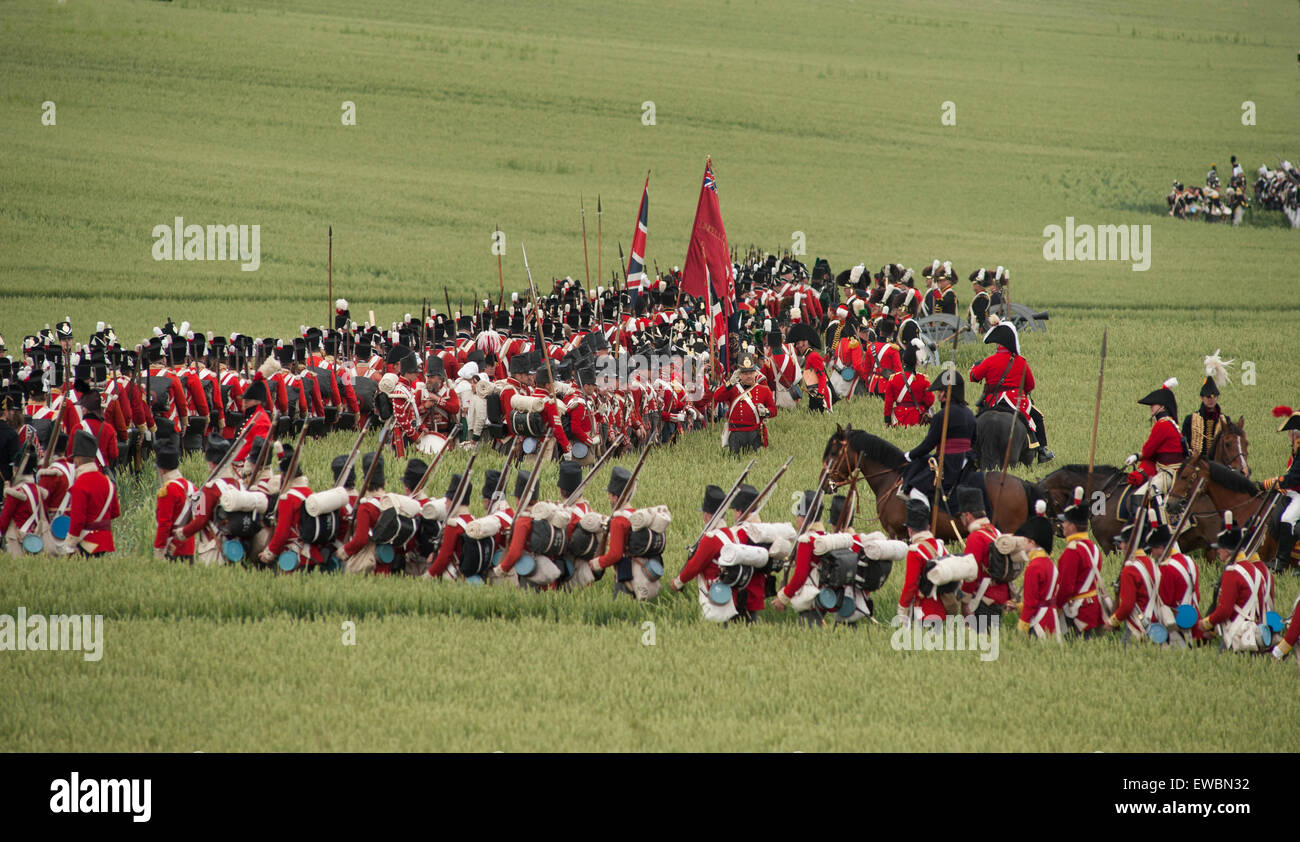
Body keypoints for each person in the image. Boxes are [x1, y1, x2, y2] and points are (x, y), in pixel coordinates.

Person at [969, 321, 1052, 463]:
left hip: (992, 401)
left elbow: (974, 377)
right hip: (1016, 401)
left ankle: (969, 448)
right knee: (1037, 417)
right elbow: (1030, 385)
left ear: (1000, 344)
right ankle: (1042, 451)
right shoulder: (1021, 362)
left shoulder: (989, 361)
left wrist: (973, 368)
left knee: (976, 418)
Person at [901, 368, 976, 509]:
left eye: (940, 391)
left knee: (916, 491)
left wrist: (909, 455)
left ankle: (922, 524)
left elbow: (927, 445)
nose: (938, 395)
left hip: (948, 463)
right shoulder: (970, 414)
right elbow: (974, 441)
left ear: (948, 393)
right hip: (968, 463)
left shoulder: (941, 416)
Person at [1199, 515, 1275, 650]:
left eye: (1220, 548)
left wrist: (1206, 623)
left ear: (1227, 550)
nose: (1217, 551)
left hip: (1237, 635)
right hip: (1257, 634)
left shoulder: (1232, 572)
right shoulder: (1256, 570)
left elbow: (1224, 611)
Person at [1123, 378, 1184, 517]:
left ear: (1162, 406)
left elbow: (1148, 451)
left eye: (1153, 404)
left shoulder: (1162, 424)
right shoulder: (1171, 423)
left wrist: (1137, 456)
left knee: (1138, 496)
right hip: (1174, 470)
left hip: (1169, 473)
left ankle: (1144, 531)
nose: (1151, 407)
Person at [174, 436, 239, 565]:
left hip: (215, 546)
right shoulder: (237, 484)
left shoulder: (210, 488)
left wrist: (182, 532)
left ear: (211, 462)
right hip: (236, 546)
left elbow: (201, 520)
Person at [57, 430, 120, 556]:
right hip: (104, 541)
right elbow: (115, 512)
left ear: (78, 460)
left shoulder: (80, 484)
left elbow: (78, 520)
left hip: (86, 542)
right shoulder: (107, 482)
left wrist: (69, 545)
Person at [1104, 510, 1165, 639]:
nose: (1120, 546)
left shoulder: (1130, 569)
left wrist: (1112, 621)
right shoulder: (1152, 563)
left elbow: (1127, 606)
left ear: (1129, 544)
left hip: (1136, 626)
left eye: (1122, 542)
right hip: (1155, 624)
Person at [1054, 488, 1107, 637]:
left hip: (1076, 611)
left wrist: (1056, 608)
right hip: (1092, 609)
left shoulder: (1073, 551)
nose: (1062, 525)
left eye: (1064, 522)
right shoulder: (1094, 548)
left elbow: (1066, 588)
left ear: (1072, 525)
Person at [955, 487, 1014, 620]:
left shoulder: (976, 537)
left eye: (961, 516)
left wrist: (965, 602)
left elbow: (971, 573)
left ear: (968, 515)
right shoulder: (995, 532)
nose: (961, 520)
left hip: (983, 598)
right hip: (1001, 597)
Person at [712, 353, 776, 454]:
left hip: (755, 433)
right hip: (736, 434)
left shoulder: (764, 390)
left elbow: (774, 410)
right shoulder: (732, 389)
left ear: (755, 373)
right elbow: (717, 397)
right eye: (745, 373)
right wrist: (729, 383)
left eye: (751, 373)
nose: (749, 376)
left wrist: (766, 411)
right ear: (739, 374)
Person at [1262, 407, 1300, 572]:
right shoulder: (1296, 450)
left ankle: (1281, 562)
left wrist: (1278, 481)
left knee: (1287, 518)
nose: (1290, 437)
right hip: (1294, 491)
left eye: (1291, 434)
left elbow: (1294, 477)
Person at [897, 499, 947, 623]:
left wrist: (902, 607)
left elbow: (910, 586)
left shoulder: (916, 550)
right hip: (943, 611)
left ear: (910, 530)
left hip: (924, 613)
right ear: (928, 526)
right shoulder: (941, 547)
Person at [1015, 505, 1060, 640]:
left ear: (1032, 542)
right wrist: (1017, 607)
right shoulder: (1050, 563)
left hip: (1039, 621)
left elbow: (1031, 603)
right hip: (1052, 619)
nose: (1023, 544)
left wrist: (1021, 627)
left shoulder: (1034, 566)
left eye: (1025, 541)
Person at [152, 442, 195, 562]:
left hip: (173, 547)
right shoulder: (193, 487)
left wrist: (159, 548)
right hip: (190, 546)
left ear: (162, 469)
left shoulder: (167, 490)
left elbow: (165, 523)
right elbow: (199, 516)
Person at [1182, 366, 1229, 462]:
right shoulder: (1190, 419)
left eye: (1213, 397)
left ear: (1217, 398)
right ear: (1202, 398)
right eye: (1208, 397)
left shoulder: (1225, 420)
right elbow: (1184, 445)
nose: (1211, 400)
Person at [882, 340, 932, 428]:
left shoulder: (893, 378)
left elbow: (888, 403)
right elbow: (930, 400)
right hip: (918, 418)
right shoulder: (923, 379)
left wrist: (887, 420)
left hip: (899, 417)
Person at [788, 323, 831, 412]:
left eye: (798, 343)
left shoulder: (813, 356)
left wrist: (820, 394)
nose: (797, 346)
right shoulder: (808, 356)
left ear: (806, 342)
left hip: (820, 394)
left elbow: (822, 376)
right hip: (814, 394)